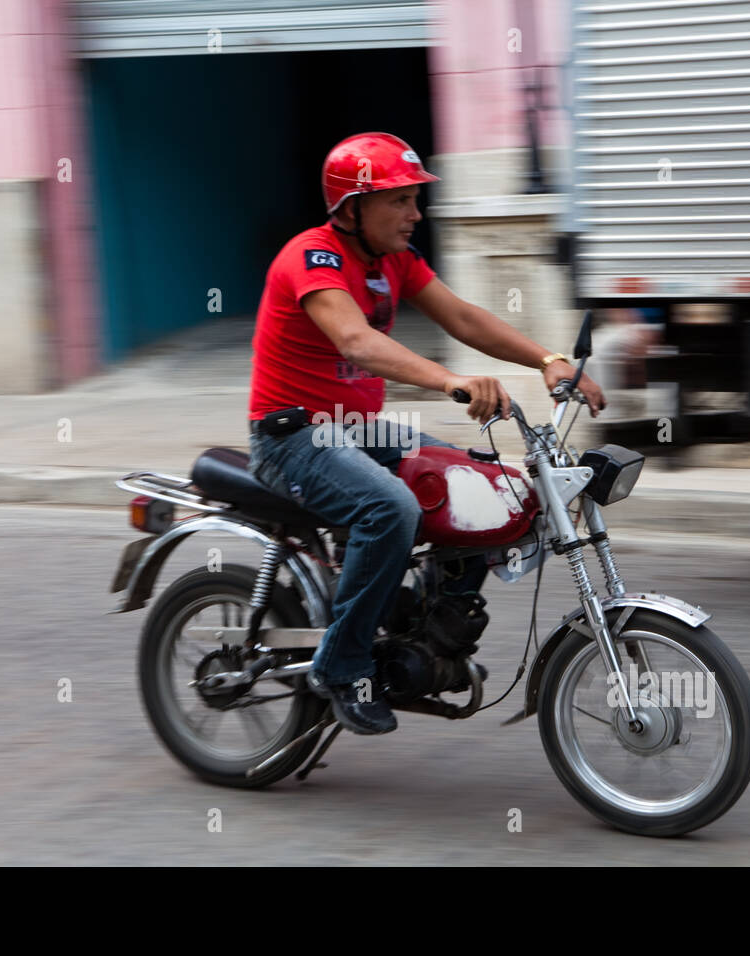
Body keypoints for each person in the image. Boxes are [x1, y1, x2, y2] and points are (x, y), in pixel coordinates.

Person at [247, 131, 606, 735]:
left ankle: (430, 617)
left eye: (416, 199)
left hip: (356, 429)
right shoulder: (314, 257)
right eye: (400, 200)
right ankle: (344, 666)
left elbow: (463, 316)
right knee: (390, 508)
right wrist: (450, 382)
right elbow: (356, 341)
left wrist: (547, 361)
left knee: (484, 484)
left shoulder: (393, 261)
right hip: (294, 436)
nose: (416, 213)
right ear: (352, 207)